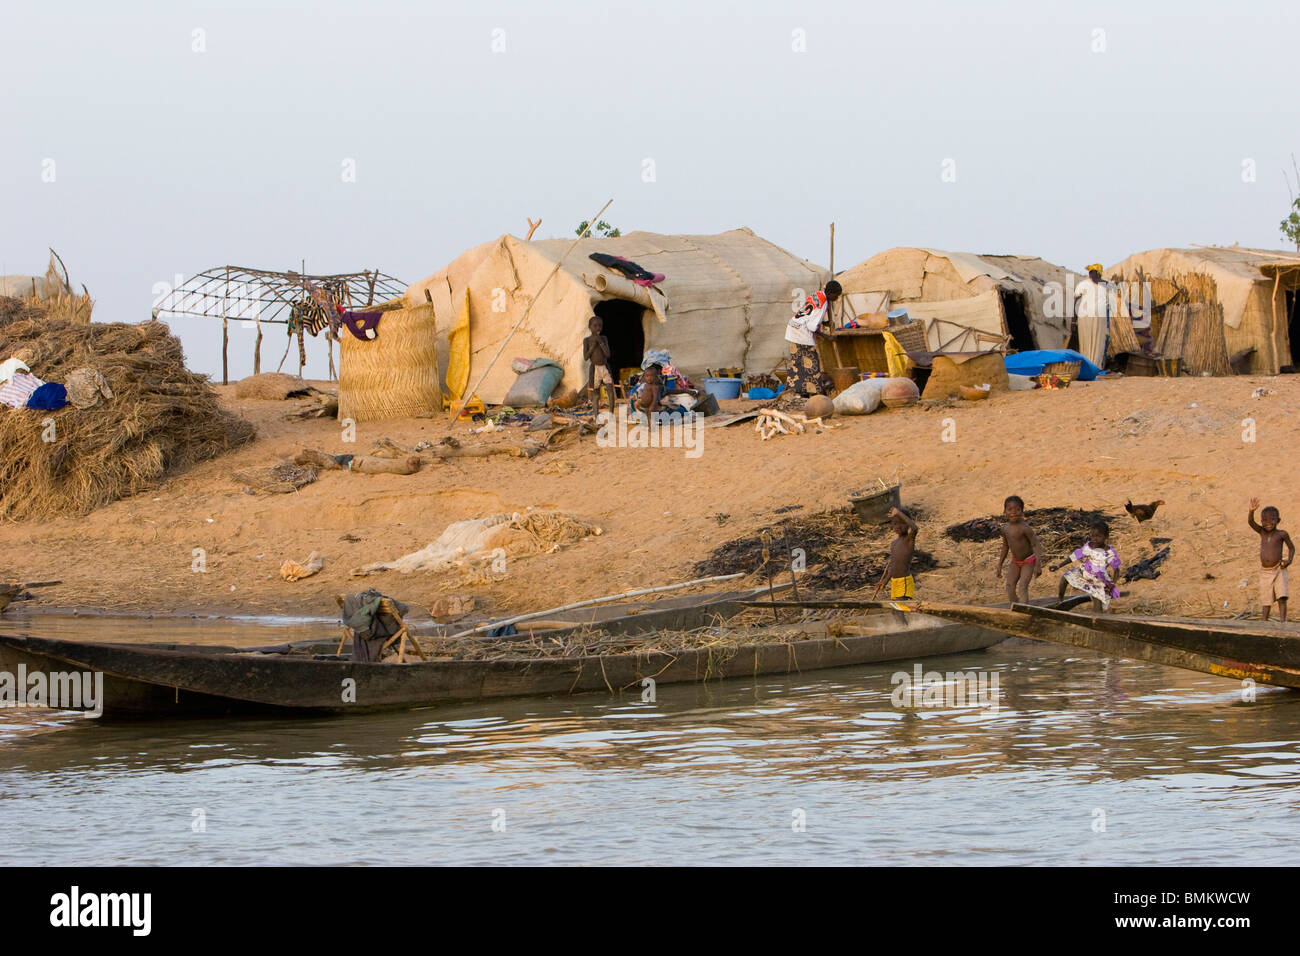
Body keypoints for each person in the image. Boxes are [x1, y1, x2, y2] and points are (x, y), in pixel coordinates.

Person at [785, 280, 841, 396]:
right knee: (811, 365)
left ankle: (797, 393)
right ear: (830, 293)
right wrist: (826, 337)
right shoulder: (823, 303)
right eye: (837, 295)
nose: (837, 297)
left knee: (798, 364)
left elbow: (809, 315)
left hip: (793, 327)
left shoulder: (818, 294)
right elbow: (811, 326)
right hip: (801, 333)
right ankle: (815, 395)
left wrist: (824, 322)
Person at [1050, 520, 1121, 612]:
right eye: (1093, 536)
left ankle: (1097, 620)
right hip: (1084, 573)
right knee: (1065, 578)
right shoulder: (1089, 547)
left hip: (1097, 580)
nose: (1095, 539)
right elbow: (1073, 557)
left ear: (1106, 537)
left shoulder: (1109, 553)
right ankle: (1060, 601)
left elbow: (1117, 570)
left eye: (1098, 536)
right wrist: (1058, 566)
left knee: (1097, 602)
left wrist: (1113, 584)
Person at [1248, 498, 1294, 622]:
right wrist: (1251, 511)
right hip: (1265, 572)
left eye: (1272, 519)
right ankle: (1264, 622)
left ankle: (1283, 622)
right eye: (1265, 520)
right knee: (1266, 599)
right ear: (1261, 521)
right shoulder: (1262, 531)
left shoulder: (1282, 534)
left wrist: (1289, 560)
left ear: (1278, 520)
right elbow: (1251, 522)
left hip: (1279, 568)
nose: (1268, 523)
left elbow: (1291, 548)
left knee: (1282, 596)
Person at [995, 495, 1043, 604]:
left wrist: (1038, 565)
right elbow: (1005, 546)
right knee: (1010, 586)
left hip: (1028, 561)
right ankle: (1015, 607)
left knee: (1022, 586)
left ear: (1022, 512)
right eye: (1010, 509)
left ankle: (1024, 610)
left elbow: (1036, 545)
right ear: (1004, 512)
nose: (1013, 512)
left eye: (1017, 509)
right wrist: (999, 565)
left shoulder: (1025, 528)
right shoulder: (1005, 529)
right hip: (1015, 561)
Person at [1073, 263, 1115, 370]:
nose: (1090, 274)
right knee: (1085, 340)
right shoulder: (1083, 284)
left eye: (1093, 272)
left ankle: (1096, 367)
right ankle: (1086, 366)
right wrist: (1073, 319)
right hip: (1085, 317)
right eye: (1090, 272)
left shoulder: (1107, 286)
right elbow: (1076, 300)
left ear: (1099, 273)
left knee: (1099, 341)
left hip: (1100, 318)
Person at [873, 506, 919, 600]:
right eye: (895, 524)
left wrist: (898, 513)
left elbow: (915, 528)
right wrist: (885, 581)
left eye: (902, 523)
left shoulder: (908, 540)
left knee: (899, 609)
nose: (898, 526)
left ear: (907, 524)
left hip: (904, 581)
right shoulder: (893, 544)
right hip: (895, 582)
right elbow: (893, 565)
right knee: (896, 610)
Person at [582, 316, 615, 409]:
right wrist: (593, 346)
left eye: (600, 326)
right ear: (589, 327)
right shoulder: (587, 340)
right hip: (595, 369)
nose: (598, 328)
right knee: (596, 394)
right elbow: (585, 357)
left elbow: (608, 355)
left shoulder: (603, 338)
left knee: (610, 391)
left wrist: (600, 342)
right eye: (595, 326)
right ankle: (597, 417)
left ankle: (611, 414)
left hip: (604, 368)